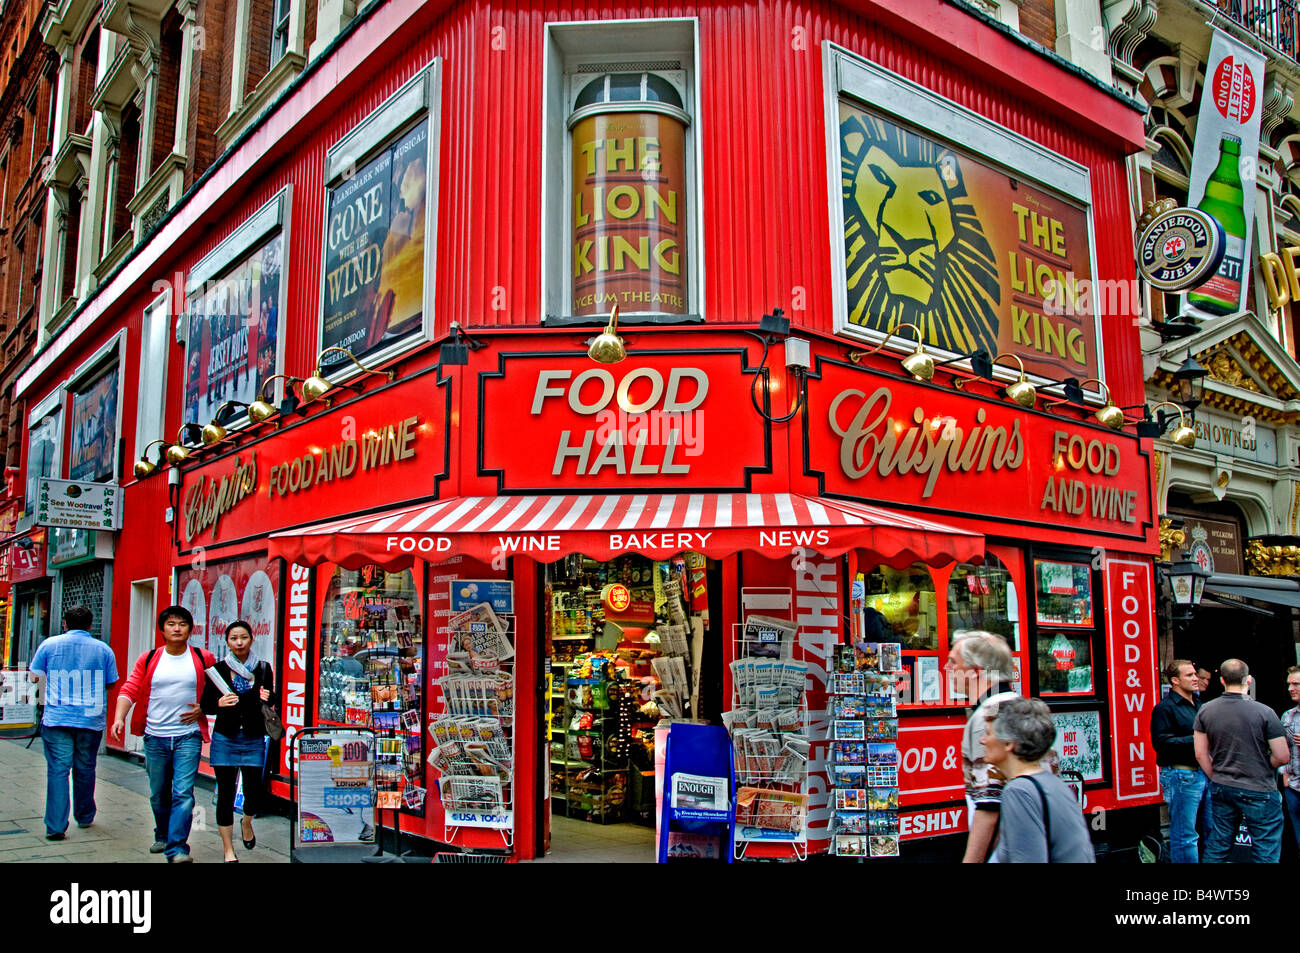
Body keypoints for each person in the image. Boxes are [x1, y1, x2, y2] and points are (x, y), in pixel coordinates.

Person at [110, 606, 216, 862]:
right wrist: (118, 718)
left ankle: (177, 848)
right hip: (155, 736)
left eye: (182, 623)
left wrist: (205, 707)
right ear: (163, 629)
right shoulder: (149, 659)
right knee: (159, 792)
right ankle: (163, 833)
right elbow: (130, 688)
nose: (177, 628)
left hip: (187, 736)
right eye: (171, 624)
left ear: (190, 629)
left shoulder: (204, 658)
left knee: (183, 792)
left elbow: (219, 691)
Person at [27, 606, 119, 841]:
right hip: (90, 719)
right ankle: (85, 815)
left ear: (64, 624)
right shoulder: (103, 649)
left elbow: (34, 677)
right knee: (86, 767)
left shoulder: (49, 645)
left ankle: (56, 826)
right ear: (90, 625)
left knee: (58, 770)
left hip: (57, 718)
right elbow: (110, 684)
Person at [1193, 658, 1290, 863]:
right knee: (1265, 849)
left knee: (1218, 845)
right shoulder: (1265, 712)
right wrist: (1262, 767)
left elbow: (1201, 754)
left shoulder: (1205, 710)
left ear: (1221, 680)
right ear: (1249, 680)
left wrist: (1217, 775)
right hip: (1259, 787)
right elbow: (1282, 756)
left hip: (1222, 786)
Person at [981, 697, 1095, 862]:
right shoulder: (1054, 784)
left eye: (988, 733)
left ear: (1008, 744)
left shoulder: (1019, 791)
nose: (982, 740)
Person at [201, 620, 275, 863]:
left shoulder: (263, 668)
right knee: (226, 793)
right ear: (228, 642)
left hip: (253, 738)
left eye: (243, 637)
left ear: (251, 639)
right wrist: (218, 704)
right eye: (234, 638)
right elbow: (206, 704)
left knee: (253, 792)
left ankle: (247, 821)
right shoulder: (218, 670)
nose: (239, 642)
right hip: (226, 737)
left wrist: (269, 696)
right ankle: (228, 850)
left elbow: (270, 699)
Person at [945, 630, 1018, 863]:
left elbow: (988, 807)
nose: (946, 668)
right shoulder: (1017, 704)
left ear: (976, 672)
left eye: (953, 662)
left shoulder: (986, 718)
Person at [1150, 659, 1206, 862]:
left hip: (1203, 773)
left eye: (1195, 674)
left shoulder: (1199, 704)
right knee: (1185, 836)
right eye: (1189, 675)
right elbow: (1161, 743)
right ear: (1175, 680)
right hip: (1180, 774)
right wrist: (1196, 739)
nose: (1195, 678)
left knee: (1209, 830)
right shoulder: (1164, 708)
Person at [1281, 666, 1300, 854]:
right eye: (1289, 684)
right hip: (1294, 788)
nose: (1290, 688)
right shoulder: (1288, 716)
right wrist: (1285, 777)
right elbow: (1283, 749)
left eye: (1295, 684)